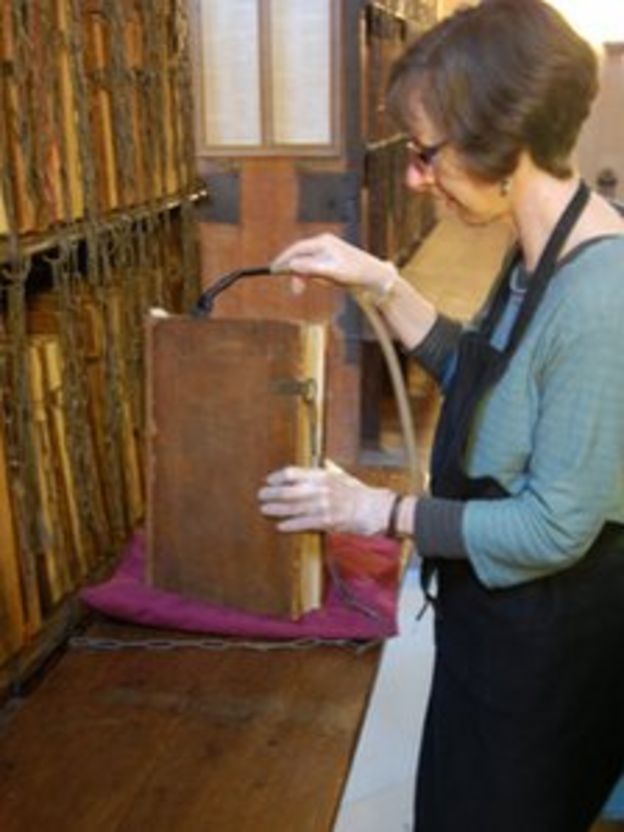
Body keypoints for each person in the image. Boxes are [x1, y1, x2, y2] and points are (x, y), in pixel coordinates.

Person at [257, 1, 624, 829]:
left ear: (503, 140)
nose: (416, 177)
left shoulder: (602, 295)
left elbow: (553, 530)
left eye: (426, 155)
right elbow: (483, 375)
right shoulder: (539, 247)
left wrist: (378, 511)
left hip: (549, 650)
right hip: (496, 630)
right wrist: (380, 282)